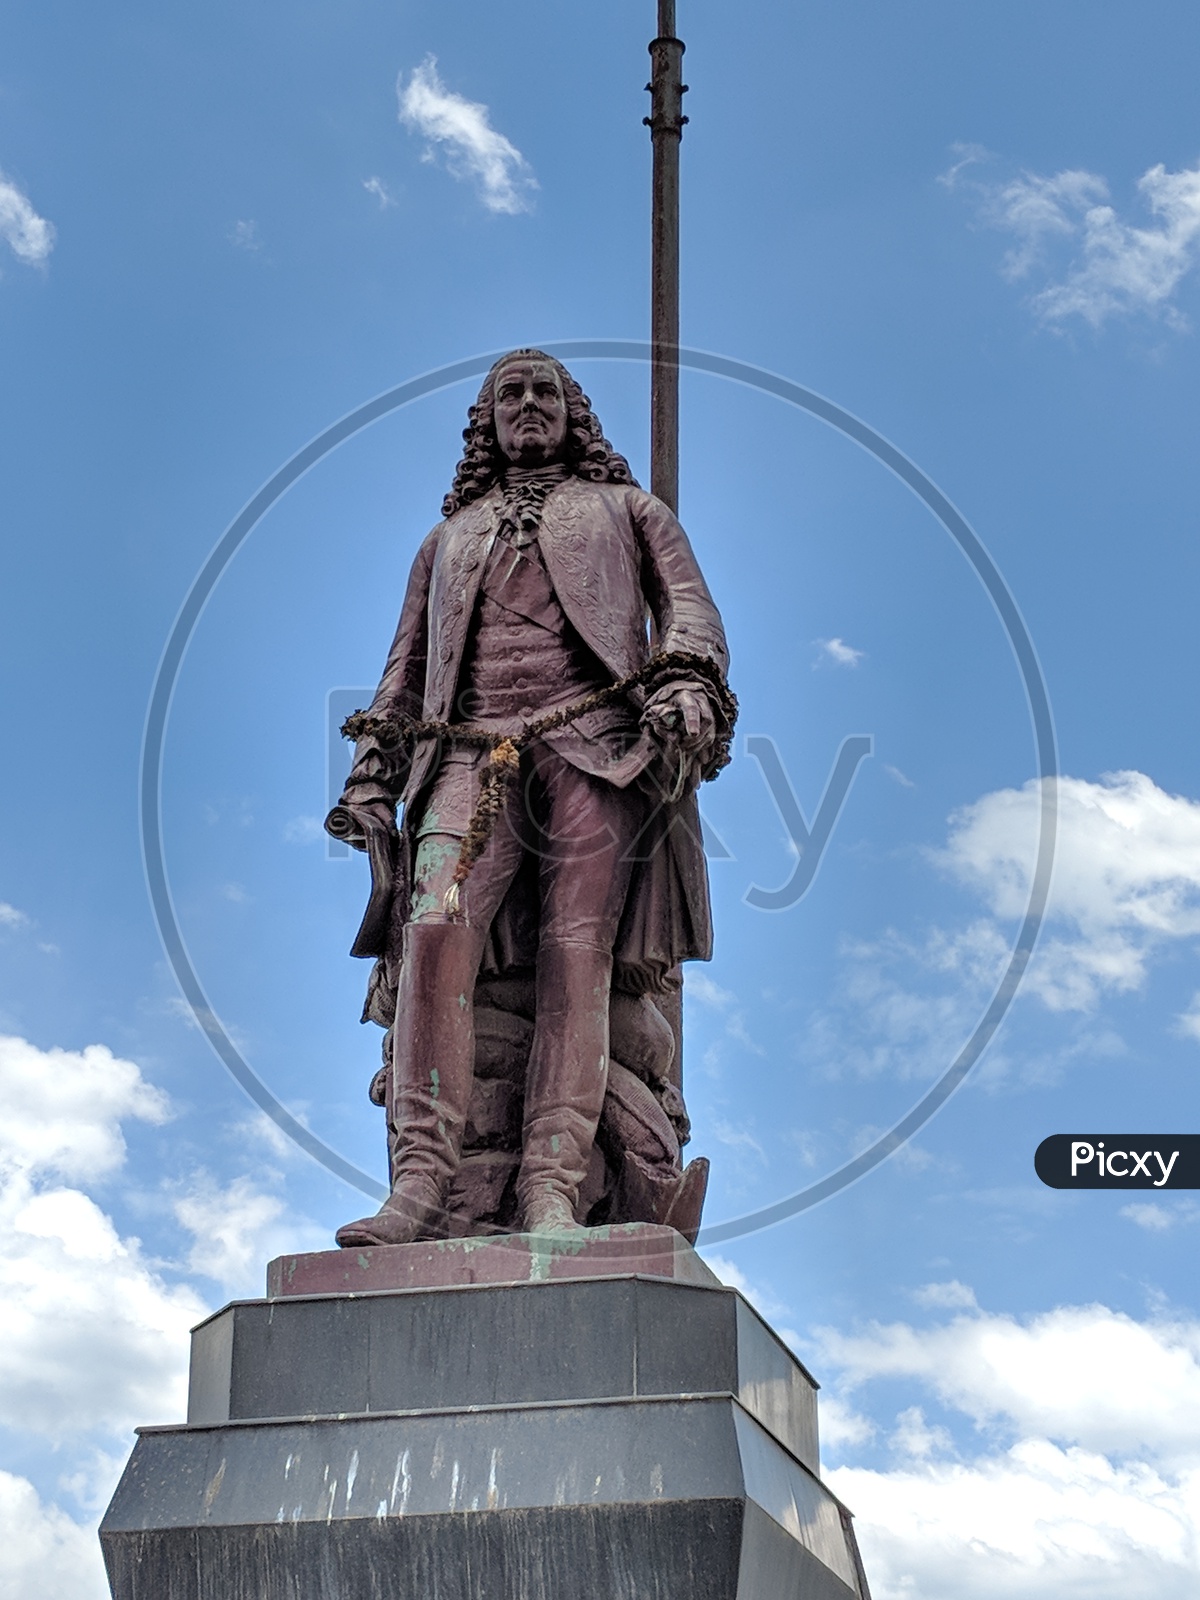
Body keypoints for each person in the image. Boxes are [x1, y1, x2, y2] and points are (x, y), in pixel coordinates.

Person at [329, 350, 732, 1245]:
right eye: (509, 394)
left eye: (545, 392)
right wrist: (371, 775)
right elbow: (402, 674)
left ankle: (552, 1185)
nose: (528, 406)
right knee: (433, 936)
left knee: (575, 961)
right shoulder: (446, 539)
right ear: (488, 422)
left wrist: (687, 680)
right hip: (467, 756)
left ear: (573, 412)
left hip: (598, 753)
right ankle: (420, 1183)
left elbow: (692, 615)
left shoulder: (632, 511)